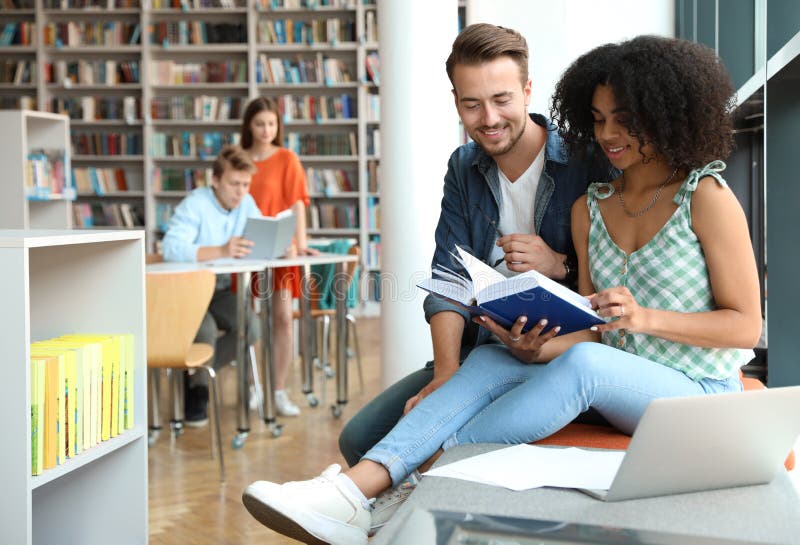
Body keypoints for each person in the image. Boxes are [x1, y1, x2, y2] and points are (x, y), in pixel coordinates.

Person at [240, 34, 763, 545]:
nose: (608, 133)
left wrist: (641, 316)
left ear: (663, 114)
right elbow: (593, 330)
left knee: (585, 365)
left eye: (623, 118)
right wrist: (533, 349)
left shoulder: (705, 197)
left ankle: (414, 478)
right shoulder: (591, 206)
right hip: (610, 373)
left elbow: (746, 326)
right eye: (598, 118)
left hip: (697, 388)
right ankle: (353, 494)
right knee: (493, 357)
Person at [339, 22, 612, 469]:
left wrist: (559, 264)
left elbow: (619, 278)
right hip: (484, 346)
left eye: (502, 99)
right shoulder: (463, 167)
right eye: (472, 104)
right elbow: (448, 279)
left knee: (441, 448)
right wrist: (447, 371)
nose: (489, 119)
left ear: (527, 90)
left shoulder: (588, 161)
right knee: (359, 438)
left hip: (562, 353)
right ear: (456, 102)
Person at [161, 144, 262, 426]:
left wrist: (280, 247)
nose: (240, 192)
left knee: (251, 326)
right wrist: (221, 250)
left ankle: (194, 370)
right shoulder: (195, 204)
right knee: (205, 330)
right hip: (187, 290)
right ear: (215, 180)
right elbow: (171, 248)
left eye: (245, 184)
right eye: (234, 184)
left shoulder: (247, 203)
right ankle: (198, 390)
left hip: (218, 289)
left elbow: (258, 236)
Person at [240, 97, 318, 417]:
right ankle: (253, 386)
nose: (266, 130)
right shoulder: (238, 159)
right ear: (249, 125)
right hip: (246, 250)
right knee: (248, 322)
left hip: (282, 249)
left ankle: (279, 389)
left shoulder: (287, 158)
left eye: (271, 123)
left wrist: (300, 244)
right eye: (260, 123)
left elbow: (298, 203)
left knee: (283, 318)